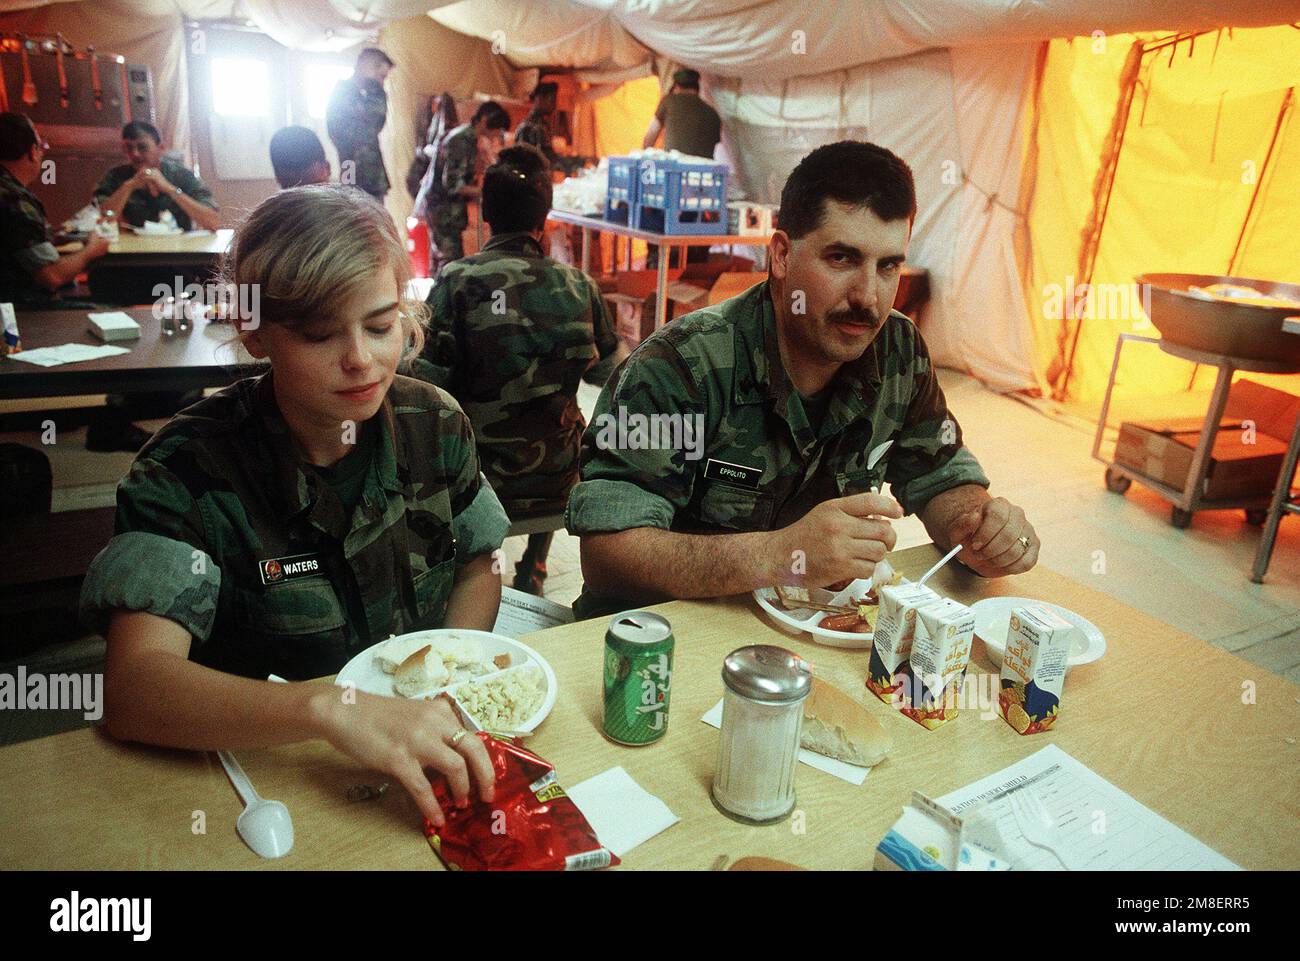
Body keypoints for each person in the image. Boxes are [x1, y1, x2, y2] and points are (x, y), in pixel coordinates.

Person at [79, 186, 509, 825]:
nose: (361, 360)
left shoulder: (434, 424)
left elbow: (481, 565)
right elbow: (133, 688)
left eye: (381, 325)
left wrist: (444, 688)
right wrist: (331, 709)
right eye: (316, 334)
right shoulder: (188, 469)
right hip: (267, 782)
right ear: (255, 336)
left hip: (415, 770)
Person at [567, 141, 1040, 618]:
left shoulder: (898, 350)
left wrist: (977, 527)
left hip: (805, 640)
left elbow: (939, 473)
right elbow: (609, 555)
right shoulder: (681, 366)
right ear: (781, 256)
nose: (867, 297)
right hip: (659, 639)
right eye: (841, 258)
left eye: (888, 266)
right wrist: (782, 556)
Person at [412, 145, 618, 595]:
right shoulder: (579, 285)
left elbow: (426, 381)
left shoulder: (457, 280)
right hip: (557, 478)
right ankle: (536, 566)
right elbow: (610, 374)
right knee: (560, 425)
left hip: (478, 478)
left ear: (485, 215)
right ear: (544, 220)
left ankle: (469, 575)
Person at [0, 112, 110, 308]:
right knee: (109, 312)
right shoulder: (14, 200)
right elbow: (51, 276)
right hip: (20, 312)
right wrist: (91, 251)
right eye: (42, 147)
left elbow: (16, 244)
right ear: (33, 152)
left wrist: (57, 236)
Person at [425, 100, 510, 275]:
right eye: (497, 128)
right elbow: (453, 185)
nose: (496, 134)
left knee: (445, 266)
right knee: (450, 268)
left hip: (448, 214)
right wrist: (486, 191)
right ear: (486, 120)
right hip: (444, 214)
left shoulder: (470, 139)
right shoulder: (461, 139)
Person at [94, 121, 220, 231]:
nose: (135, 154)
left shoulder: (181, 175)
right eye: (129, 148)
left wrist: (170, 189)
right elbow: (102, 220)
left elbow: (213, 221)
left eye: (142, 147)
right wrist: (129, 186)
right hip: (133, 250)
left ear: (160, 148)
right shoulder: (116, 176)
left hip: (179, 250)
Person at [326, 47, 394, 202]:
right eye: (381, 76)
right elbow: (371, 124)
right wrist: (375, 87)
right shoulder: (343, 93)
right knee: (359, 222)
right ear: (366, 66)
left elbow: (375, 125)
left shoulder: (360, 95)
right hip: (354, 178)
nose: (381, 82)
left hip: (368, 179)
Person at [642, 68, 722, 159]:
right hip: (704, 170)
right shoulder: (713, 113)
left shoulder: (669, 101)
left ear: (677, 87)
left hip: (675, 169)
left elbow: (649, 138)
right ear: (697, 88)